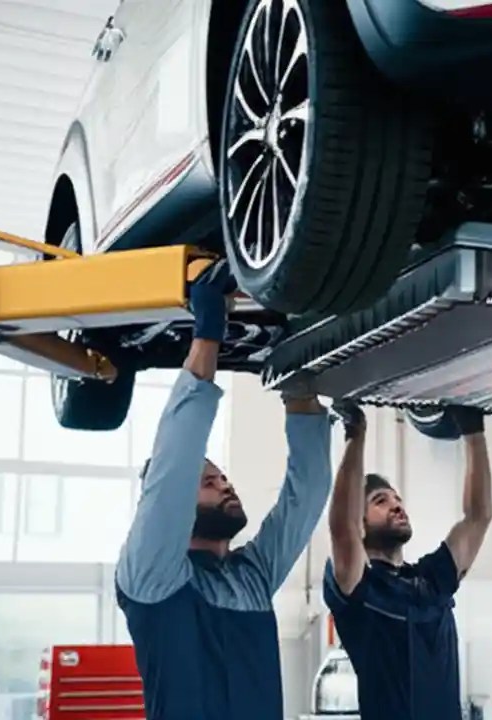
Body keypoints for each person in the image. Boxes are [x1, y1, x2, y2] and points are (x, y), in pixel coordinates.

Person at [115, 259, 334, 720]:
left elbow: (305, 493)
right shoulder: (152, 578)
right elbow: (174, 466)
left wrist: (299, 392)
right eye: (209, 481)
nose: (225, 483)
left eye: (220, 477)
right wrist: (207, 335)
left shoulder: (247, 575)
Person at [323, 402, 492, 720]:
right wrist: (355, 434)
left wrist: (473, 432)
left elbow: (478, 517)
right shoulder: (358, 588)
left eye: (398, 499)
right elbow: (341, 528)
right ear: (360, 520)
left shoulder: (431, 580)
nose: (397, 506)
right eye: (380, 500)